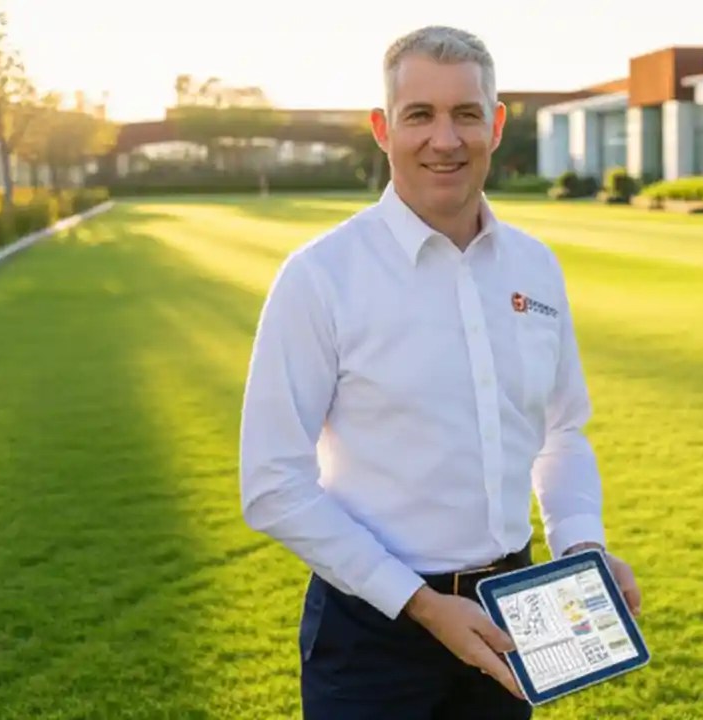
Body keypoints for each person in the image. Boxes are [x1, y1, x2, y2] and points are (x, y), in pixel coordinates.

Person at [238, 24, 641, 720]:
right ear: (382, 128)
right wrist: (423, 606)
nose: (445, 139)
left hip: (509, 616)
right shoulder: (320, 278)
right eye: (419, 115)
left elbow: (561, 430)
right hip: (373, 631)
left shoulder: (534, 267)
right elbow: (271, 483)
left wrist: (583, 546)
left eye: (466, 114)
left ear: (497, 123)